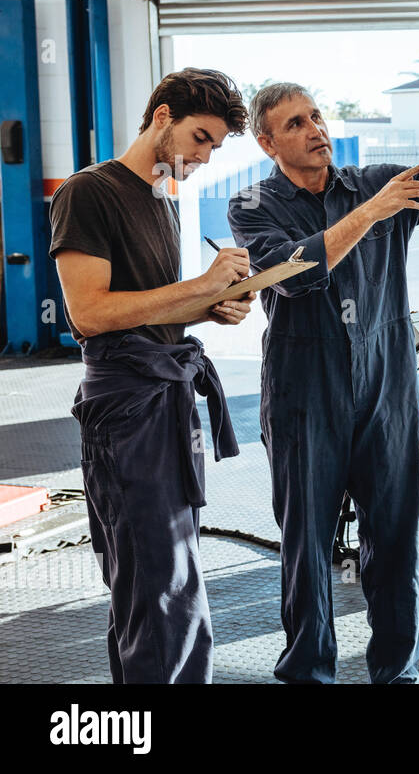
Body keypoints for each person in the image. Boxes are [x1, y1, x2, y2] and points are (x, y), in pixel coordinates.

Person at [228, 82, 419, 684]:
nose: (315, 129)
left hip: (385, 394)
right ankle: (308, 675)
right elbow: (292, 273)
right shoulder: (251, 206)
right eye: (295, 123)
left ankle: (397, 676)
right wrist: (372, 211)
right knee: (307, 551)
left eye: (317, 115)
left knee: (397, 546)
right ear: (268, 142)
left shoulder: (377, 179)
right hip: (303, 396)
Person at [49, 67, 256, 683]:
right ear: (162, 116)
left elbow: (157, 305)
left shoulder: (163, 200)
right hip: (126, 407)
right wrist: (197, 287)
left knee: (176, 578)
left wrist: (215, 306)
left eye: (215, 147)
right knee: (152, 581)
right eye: (200, 138)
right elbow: (89, 314)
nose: (204, 156)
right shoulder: (89, 193)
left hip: (167, 402)